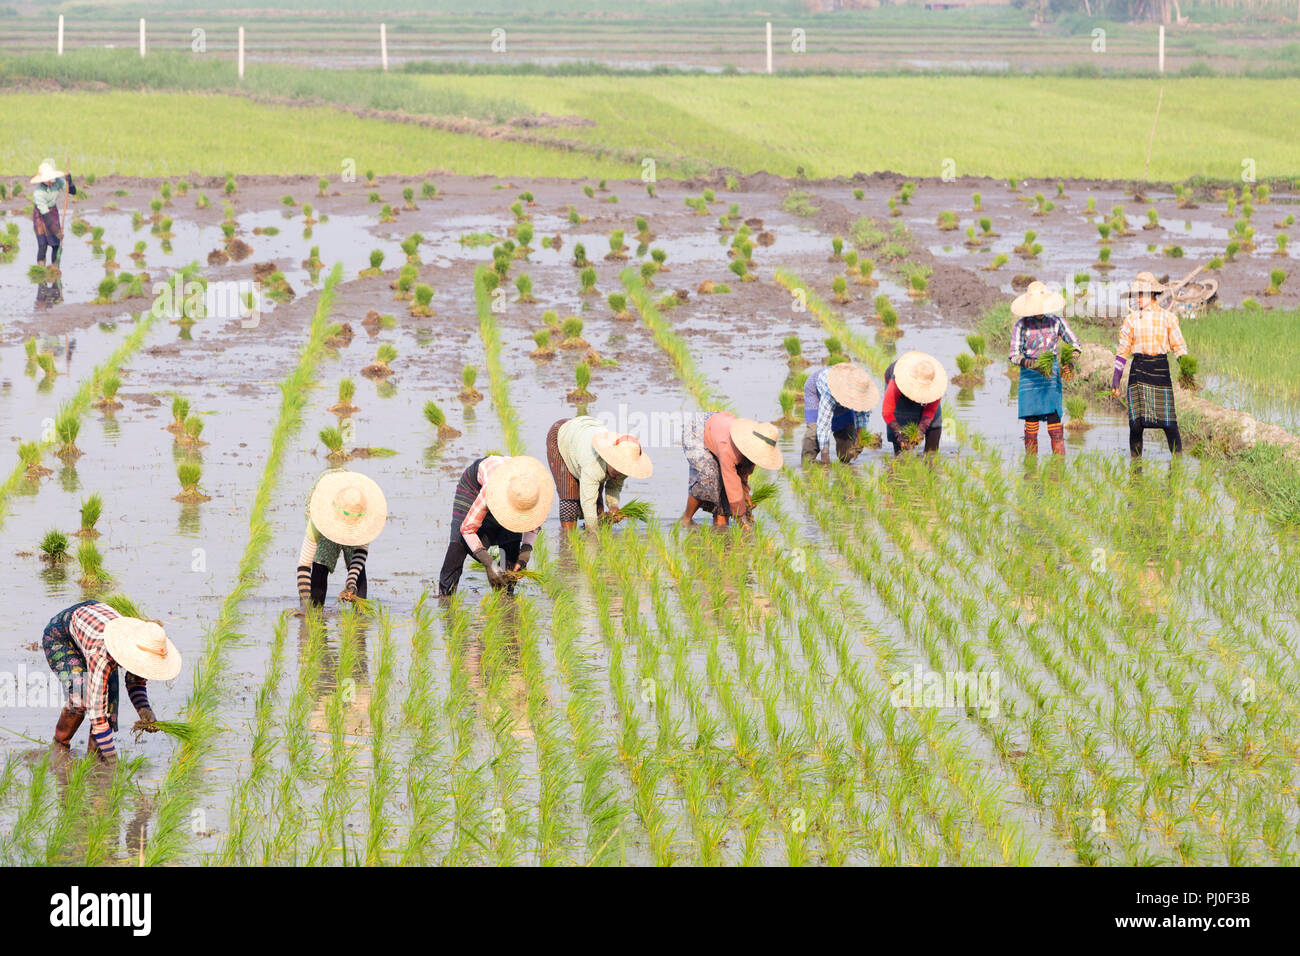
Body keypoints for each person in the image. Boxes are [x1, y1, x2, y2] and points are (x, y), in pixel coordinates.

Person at [44, 601, 182, 763]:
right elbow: (97, 715)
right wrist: (113, 760)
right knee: (82, 696)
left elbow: (135, 682)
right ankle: (60, 746)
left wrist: (145, 711)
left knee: (110, 704)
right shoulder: (102, 653)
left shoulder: (141, 644)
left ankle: (95, 758)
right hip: (62, 636)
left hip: (94, 628)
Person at [438, 455, 554, 595]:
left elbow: (534, 523)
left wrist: (525, 554)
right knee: (459, 542)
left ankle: (505, 594)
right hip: (474, 486)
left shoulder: (534, 493)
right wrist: (489, 563)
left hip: (515, 489)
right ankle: (446, 595)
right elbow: (467, 529)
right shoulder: (490, 488)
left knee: (511, 540)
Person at [1111, 272, 1188, 459]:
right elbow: (1122, 351)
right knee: (1136, 424)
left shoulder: (1168, 318)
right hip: (1138, 371)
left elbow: (1179, 347)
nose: (1137, 299)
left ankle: (1178, 462)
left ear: (1152, 294)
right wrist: (1115, 379)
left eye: (1141, 294)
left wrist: (1187, 372)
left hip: (1159, 370)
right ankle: (1135, 467)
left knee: (1169, 423)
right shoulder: (1131, 320)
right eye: (1136, 295)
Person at [546, 415, 654, 531]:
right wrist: (592, 533)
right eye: (617, 467)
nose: (619, 473)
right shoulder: (593, 463)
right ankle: (567, 540)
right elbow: (588, 502)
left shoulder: (626, 467)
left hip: (583, 433)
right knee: (570, 496)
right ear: (609, 458)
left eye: (622, 469)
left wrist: (614, 507)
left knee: (598, 507)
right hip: (562, 436)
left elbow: (614, 487)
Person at [1009, 281, 1080, 457]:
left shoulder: (1056, 322)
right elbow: (1014, 355)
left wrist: (1070, 361)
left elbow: (1075, 344)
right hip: (1030, 375)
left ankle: (1058, 467)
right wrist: (1032, 365)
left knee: (1054, 418)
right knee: (1031, 421)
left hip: (1051, 374)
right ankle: (1031, 466)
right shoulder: (1021, 325)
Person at [297, 470, 387, 607]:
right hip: (329, 505)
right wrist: (305, 605)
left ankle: (360, 619)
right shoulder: (319, 517)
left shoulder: (362, 511)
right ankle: (315, 611)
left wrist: (351, 585)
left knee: (356, 566)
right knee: (321, 562)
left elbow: (360, 555)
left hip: (352, 502)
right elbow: (304, 565)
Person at [679, 412, 782, 528]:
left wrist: (744, 492)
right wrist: (741, 517)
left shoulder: (751, 451)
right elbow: (731, 482)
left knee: (726, 494)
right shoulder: (728, 448)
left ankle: (721, 527)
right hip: (698, 433)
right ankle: (686, 519)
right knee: (709, 477)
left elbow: (742, 473)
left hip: (718, 431)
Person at [801, 362, 880, 465]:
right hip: (816, 392)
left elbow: (862, 416)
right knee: (814, 431)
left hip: (846, 391)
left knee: (846, 448)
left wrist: (860, 438)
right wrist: (825, 456)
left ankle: (845, 459)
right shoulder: (829, 389)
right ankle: (807, 463)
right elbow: (823, 425)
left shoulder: (862, 390)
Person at [881, 351, 948, 455]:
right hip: (901, 396)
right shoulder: (896, 382)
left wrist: (921, 430)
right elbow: (887, 413)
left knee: (935, 425)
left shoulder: (935, 385)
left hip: (929, 396)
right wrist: (899, 432)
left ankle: (930, 464)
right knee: (901, 454)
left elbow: (930, 410)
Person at [30, 159, 76, 267]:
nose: (51, 182)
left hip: (53, 212)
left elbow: (72, 192)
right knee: (43, 245)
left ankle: (55, 268)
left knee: (56, 244)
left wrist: (70, 182)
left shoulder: (58, 181)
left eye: (51, 179)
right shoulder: (38, 193)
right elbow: (45, 216)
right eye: (48, 180)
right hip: (41, 216)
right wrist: (57, 232)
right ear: (42, 180)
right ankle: (41, 270)